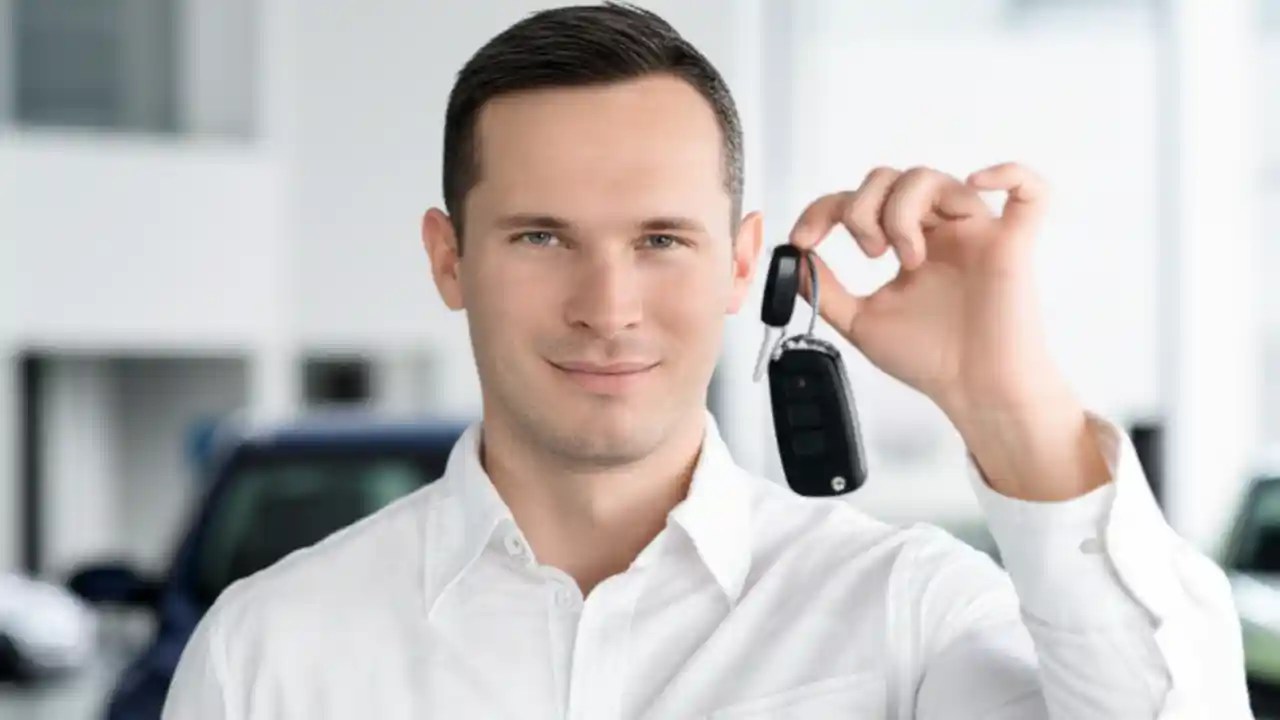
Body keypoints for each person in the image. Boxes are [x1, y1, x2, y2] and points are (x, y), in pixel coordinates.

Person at [162, 3, 1249, 718]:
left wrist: (1008, 402)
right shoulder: (270, 653)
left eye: (659, 240)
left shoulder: (903, 613)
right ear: (449, 260)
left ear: (741, 264)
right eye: (540, 238)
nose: (607, 307)